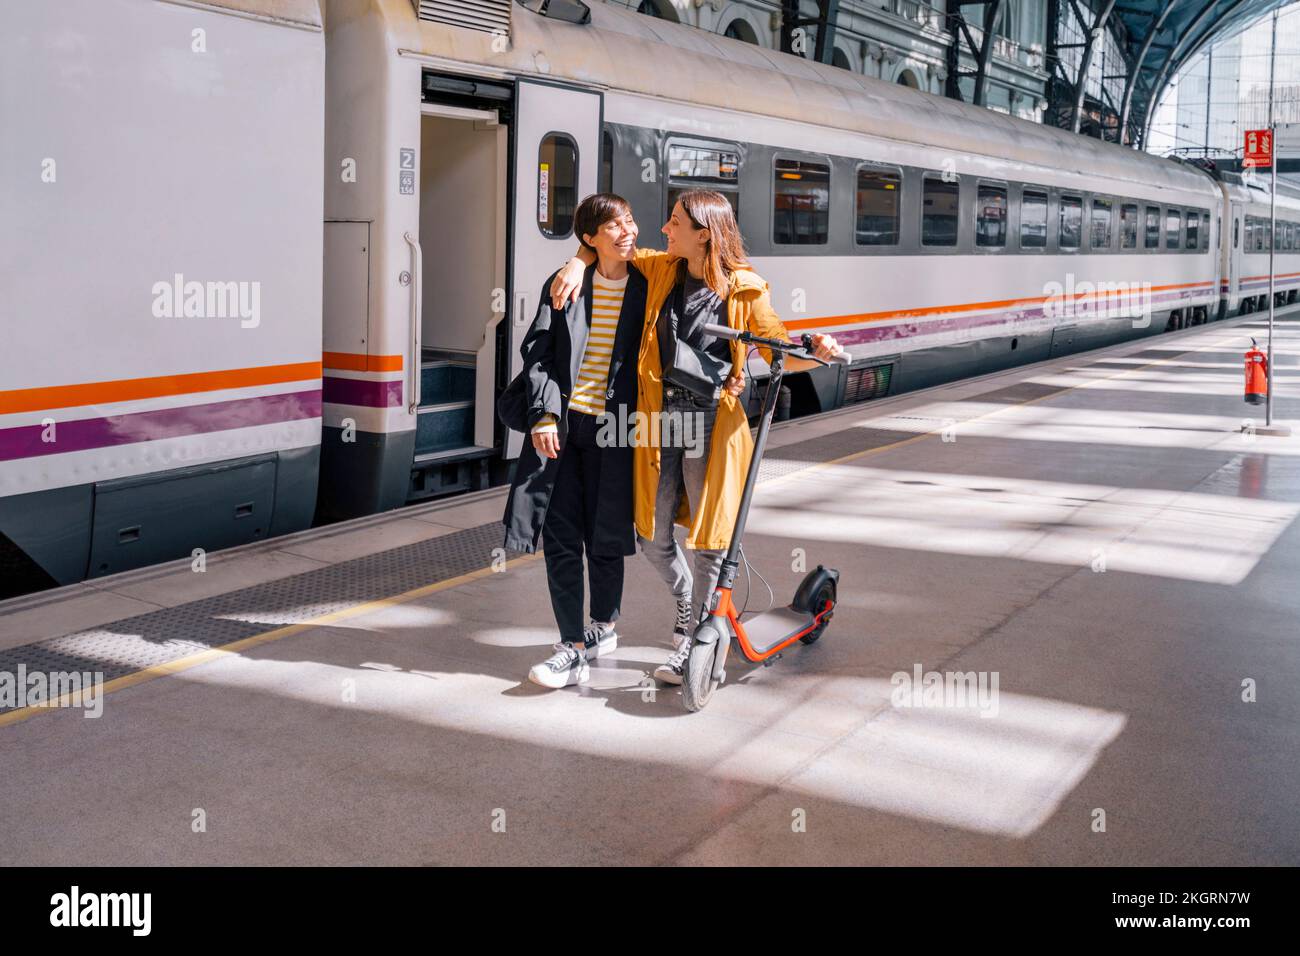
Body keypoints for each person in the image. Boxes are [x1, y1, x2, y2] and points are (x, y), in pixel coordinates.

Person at [550, 189, 843, 684]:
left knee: (708, 541)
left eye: (674, 223)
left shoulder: (746, 290)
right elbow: (607, 246)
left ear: (704, 234)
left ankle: (693, 638)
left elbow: (777, 350)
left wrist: (819, 350)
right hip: (656, 422)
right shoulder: (663, 269)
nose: (663, 230)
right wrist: (576, 263)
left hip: (709, 423)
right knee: (652, 536)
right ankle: (688, 604)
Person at [501, 194, 647, 688]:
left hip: (617, 427)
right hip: (564, 424)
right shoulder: (564, 285)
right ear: (590, 238)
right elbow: (538, 354)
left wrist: (579, 260)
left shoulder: (650, 284)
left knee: (606, 533)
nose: (629, 230)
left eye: (630, 221)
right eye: (615, 226)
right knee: (560, 536)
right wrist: (542, 414)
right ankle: (571, 644)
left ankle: (604, 625)